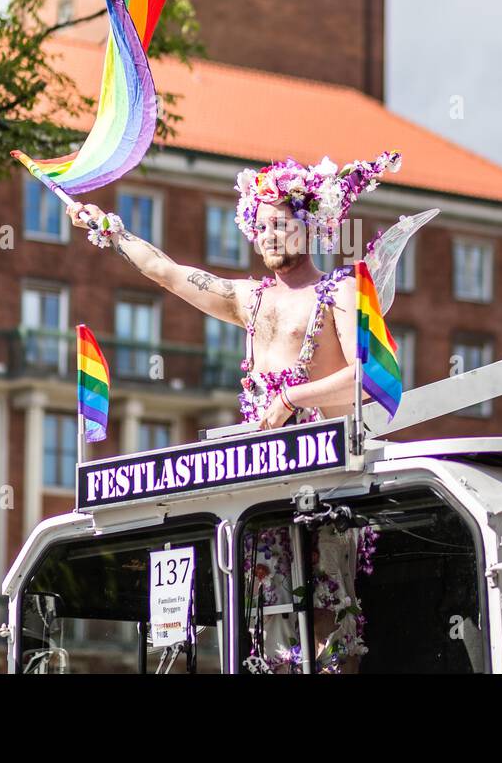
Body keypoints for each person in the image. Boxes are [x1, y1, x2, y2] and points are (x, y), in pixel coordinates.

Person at [68, 152, 403, 671]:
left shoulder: (338, 293)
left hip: (326, 483)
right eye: (261, 225)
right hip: (258, 490)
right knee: (265, 624)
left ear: (308, 225)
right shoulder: (248, 299)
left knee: (328, 618)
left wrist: (294, 398)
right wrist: (111, 230)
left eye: (281, 224)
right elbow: (171, 274)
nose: (269, 235)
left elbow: (378, 378)